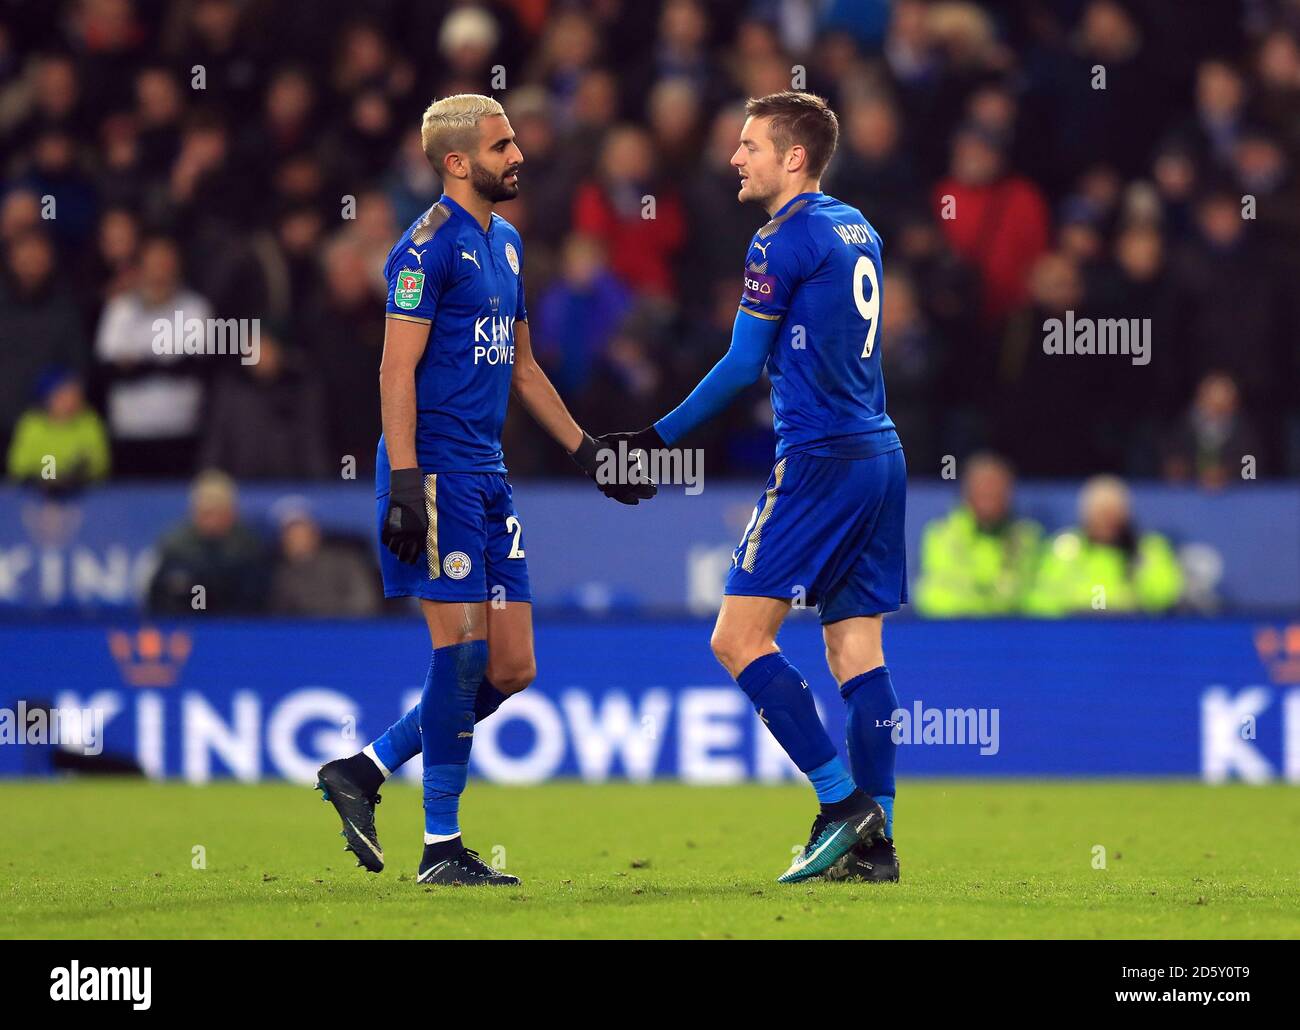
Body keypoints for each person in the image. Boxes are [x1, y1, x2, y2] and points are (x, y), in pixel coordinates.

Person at [314, 94, 653, 888]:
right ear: (458, 161)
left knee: (512, 666)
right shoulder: (421, 250)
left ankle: (364, 770)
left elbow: (524, 366)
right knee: (460, 653)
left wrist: (589, 455)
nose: (519, 156)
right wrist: (403, 481)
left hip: (488, 473)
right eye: (503, 146)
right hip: (432, 472)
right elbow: (395, 370)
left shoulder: (505, 242)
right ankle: (442, 847)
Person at [603, 92, 904, 883]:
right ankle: (878, 851)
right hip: (880, 450)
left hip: (819, 458)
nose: (735, 158)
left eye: (750, 145)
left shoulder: (780, 239)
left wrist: (652, 441)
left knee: (736, 639)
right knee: (856, 651)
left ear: (793, 156)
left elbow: (742, 365)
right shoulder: (857, 225)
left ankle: (842, 804)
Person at [1025, 476, 1183, 616]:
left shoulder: (1148, 548)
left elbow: (1165, 595)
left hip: (1132, 633)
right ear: (1086, 514)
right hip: (1075, 633)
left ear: (1125, 515)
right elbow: (1040, 597)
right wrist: (1077, 608)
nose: (1107, 520)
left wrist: (1123, 603)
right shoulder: (1065, 548)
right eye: (1100, 512)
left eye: (1113, 512)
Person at [915, 453, 1042, 616]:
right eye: (983, 487)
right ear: (967, 492)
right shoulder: (942, 534)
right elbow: (937, 598)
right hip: (955, 632)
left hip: (1014, 632)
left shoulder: (1026, 536)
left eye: (998, 488)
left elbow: (1033, 596)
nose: (990, 495)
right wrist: (993, 606)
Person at [6, 368, 110, 493]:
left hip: (82, 494)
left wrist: (75, 476)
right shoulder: (31, 423)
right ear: (48, 397)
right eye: (64, 394)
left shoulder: (89, 421)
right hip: (35, 496)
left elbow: (100, 463)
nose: (72, 400)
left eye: (75, 394)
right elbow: (18, 466)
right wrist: (44, 478)